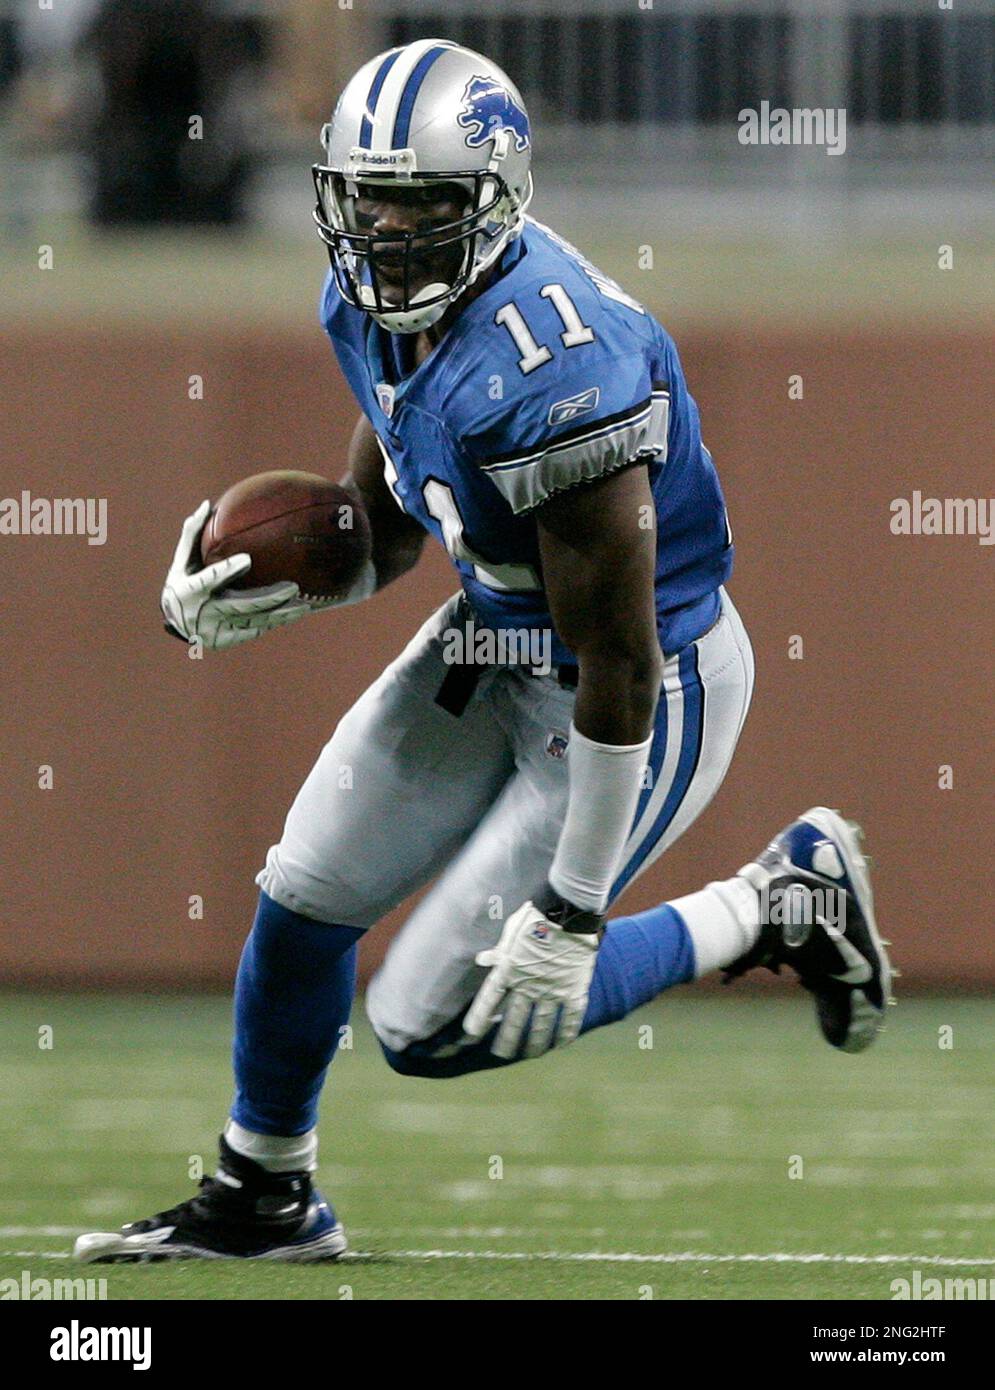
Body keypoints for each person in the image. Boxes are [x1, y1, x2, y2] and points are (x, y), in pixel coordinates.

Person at [76, 39, 892, 1264]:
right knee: (305, 894)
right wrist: (266, 581)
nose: (388, 232)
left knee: (431, 1018)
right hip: (494, 635)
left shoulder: (556, 373)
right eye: (369, 199)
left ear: (496, 201)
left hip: (640, 685)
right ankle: (266, 1194)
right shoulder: (366, 303)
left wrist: (569, 910)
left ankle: (775, 900)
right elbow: (389, 524)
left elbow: (614, 655)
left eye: (424, 203)